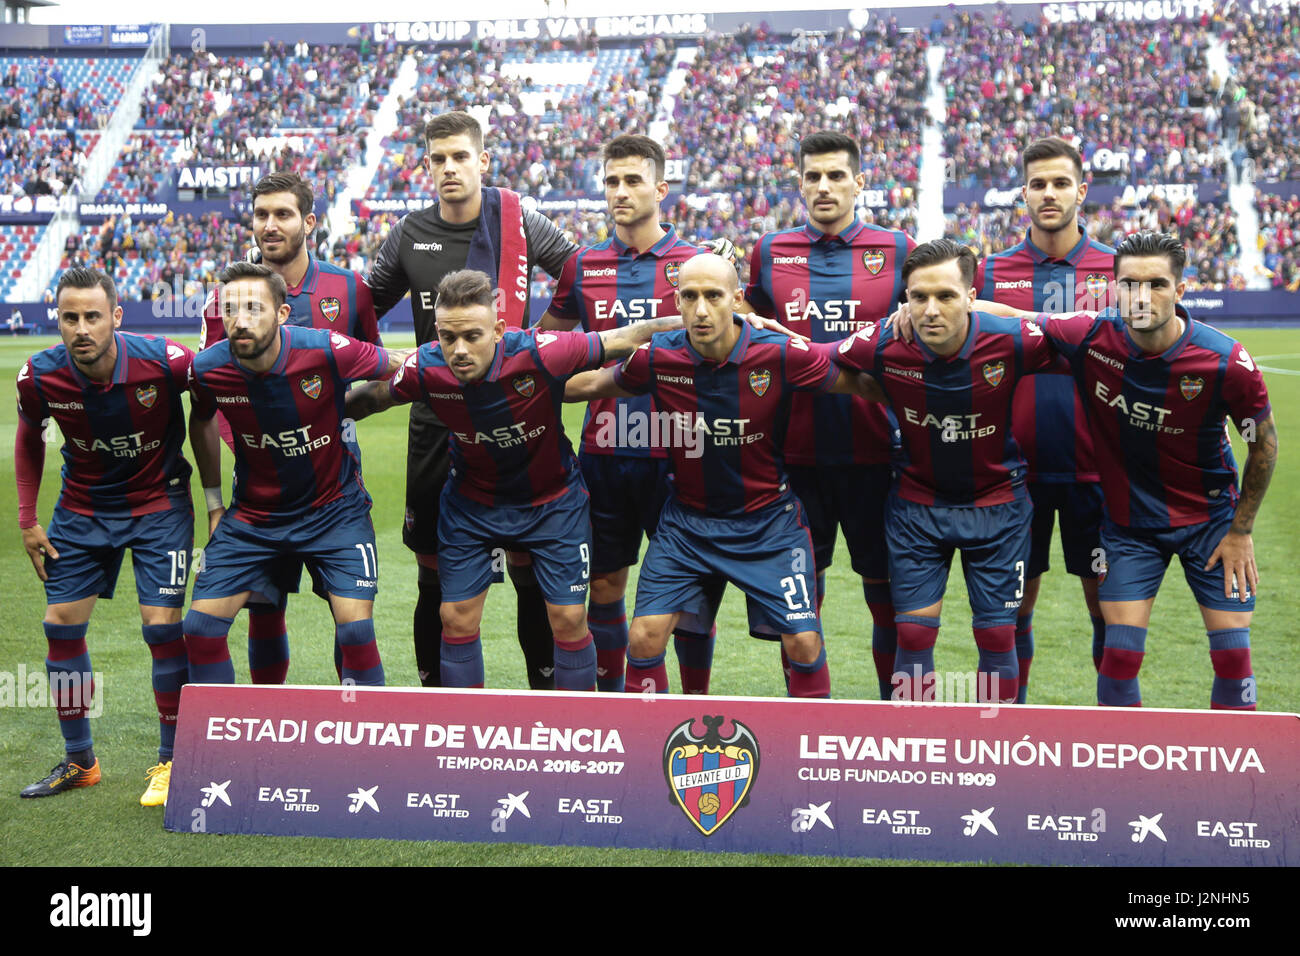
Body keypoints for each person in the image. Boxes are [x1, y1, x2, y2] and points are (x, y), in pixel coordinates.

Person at [345, 269, 683, 690]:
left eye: (473, 335)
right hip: (472, 504)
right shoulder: (425, 368)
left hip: (554, 502)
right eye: (449, 338)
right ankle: (465, 737)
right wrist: (324, 411)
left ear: (499, 329)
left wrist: (712, 322)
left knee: (570, 618)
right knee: (455, 616)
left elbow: (630, 336)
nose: (460, 349)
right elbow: (375, 397)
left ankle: (576, 733)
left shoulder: (542, 352)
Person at [567, 254, 883, 699]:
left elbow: (857, 384)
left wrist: (924, 391)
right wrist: (508, 375)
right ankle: (647, 752)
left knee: (805, 644)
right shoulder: (659, 356)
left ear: (736, 299)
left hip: (768, 522)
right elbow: (595, 385)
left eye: (713, 296)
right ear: (676, 301)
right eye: (689, 297)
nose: (700, 310)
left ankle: (805, 756)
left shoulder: (778, 353)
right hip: (687, 524)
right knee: (644, 637)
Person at [366, 110, 576, 690]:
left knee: (529, 564)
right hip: (437, 426)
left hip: (518, 423)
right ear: (426, 166)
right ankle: (443, 705)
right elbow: (360, 313)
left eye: (461, 156)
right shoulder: (409, 233)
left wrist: (542, 336)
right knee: (434, 573)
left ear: (483, 160)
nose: (450, 167)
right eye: (439, 159)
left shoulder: (520, 221)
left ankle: (547, 698)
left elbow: (581, 274)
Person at [1027, 232, 1276, 709]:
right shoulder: (1091, 336)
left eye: (1157, 284)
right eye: (1130, 284)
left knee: (1232, 657)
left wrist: (1241, 530)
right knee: (1118, 656)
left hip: (1210, 524)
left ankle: (1234, 777)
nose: (1142, 297)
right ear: (1113, 287)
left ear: (1181, 291)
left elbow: (1263, 445)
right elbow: (1015, 319)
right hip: (1127, 528)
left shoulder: (1226, 361)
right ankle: (1124, 780)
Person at [15, 267, 219, 805]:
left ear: (116, 318)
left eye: (92, 317)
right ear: (57, 320)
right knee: (60, 626)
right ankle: (80, 761)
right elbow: (29, 438)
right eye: (69, 318)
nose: (81, 328)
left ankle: (173, 760)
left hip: (159, 505)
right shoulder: (38, 376)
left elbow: (216, 401)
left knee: (160, 628)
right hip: (82, 510)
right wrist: (26, 519)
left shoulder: (165, 362)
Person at [535, 133, 725, 694]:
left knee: (688, 598)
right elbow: (547, 348)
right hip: (605, 453)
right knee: (605, 587)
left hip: (681, 452)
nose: (620, 191)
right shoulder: (582, 266)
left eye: (633, 180)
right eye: (612, 181)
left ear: (661, 188)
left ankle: (692, 711)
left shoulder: (696, 264)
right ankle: (617, 708)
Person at [835, 239, 1057, 704]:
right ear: (905, 299)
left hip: (1000, 505)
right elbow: (813, 359)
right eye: (918, 297)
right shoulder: (885, 341)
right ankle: (915, 742)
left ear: (972, 297)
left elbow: (1098, 340)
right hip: (918, 506)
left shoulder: (1012, 339)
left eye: (946, 296)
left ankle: (997, 748)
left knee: (998, 637)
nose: (931, 310)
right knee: (912, 635)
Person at [742, 130, 916, 699]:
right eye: (812, 176)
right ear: (798, 183)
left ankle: (896, 719)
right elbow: (751, 337)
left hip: (880, 455)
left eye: (836, 175)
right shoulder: (769, 252)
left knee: (887, 595)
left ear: (859, 182)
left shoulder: (899, 249)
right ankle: (805, 722)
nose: (824, 186)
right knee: (798, 606)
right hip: (792, 458)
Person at [183, 262, 407, 691]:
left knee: (356, 632)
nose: (240, 320)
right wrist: (213, 504)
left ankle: (367, 746)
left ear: (283, 314)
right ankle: (236, 748)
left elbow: (395, 364)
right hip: (254, 519)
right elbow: (201, 418)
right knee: (199, 629)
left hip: (334, 510)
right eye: (230, 310)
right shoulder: (209, 368)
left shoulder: (325, 349)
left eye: (253, 308)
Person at [200, 170, 382, 686]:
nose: (270, 225)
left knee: (348, 616)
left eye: (282, 214)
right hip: (259, 487)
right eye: (261, 215)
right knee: (263, 606)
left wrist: (344, 416)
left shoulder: (349, 288)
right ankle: (266, 724)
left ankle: (354, 729)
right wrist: (249, 448)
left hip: (334, 477)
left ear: (309, 222)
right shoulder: (230, 298)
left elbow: (370, 367)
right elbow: (213, 389)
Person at [975, 137, 1115, 700]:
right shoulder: (988, 272)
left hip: (1100, 472)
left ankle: (1115, 733)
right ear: (1023, 195)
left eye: (1061, 183)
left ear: (1082, 190)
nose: (1049, 194)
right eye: (1038, 184)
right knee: (1013, 610)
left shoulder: (1117, 268)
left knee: (1108, 609)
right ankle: (1011, 732)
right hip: (1014, 473)